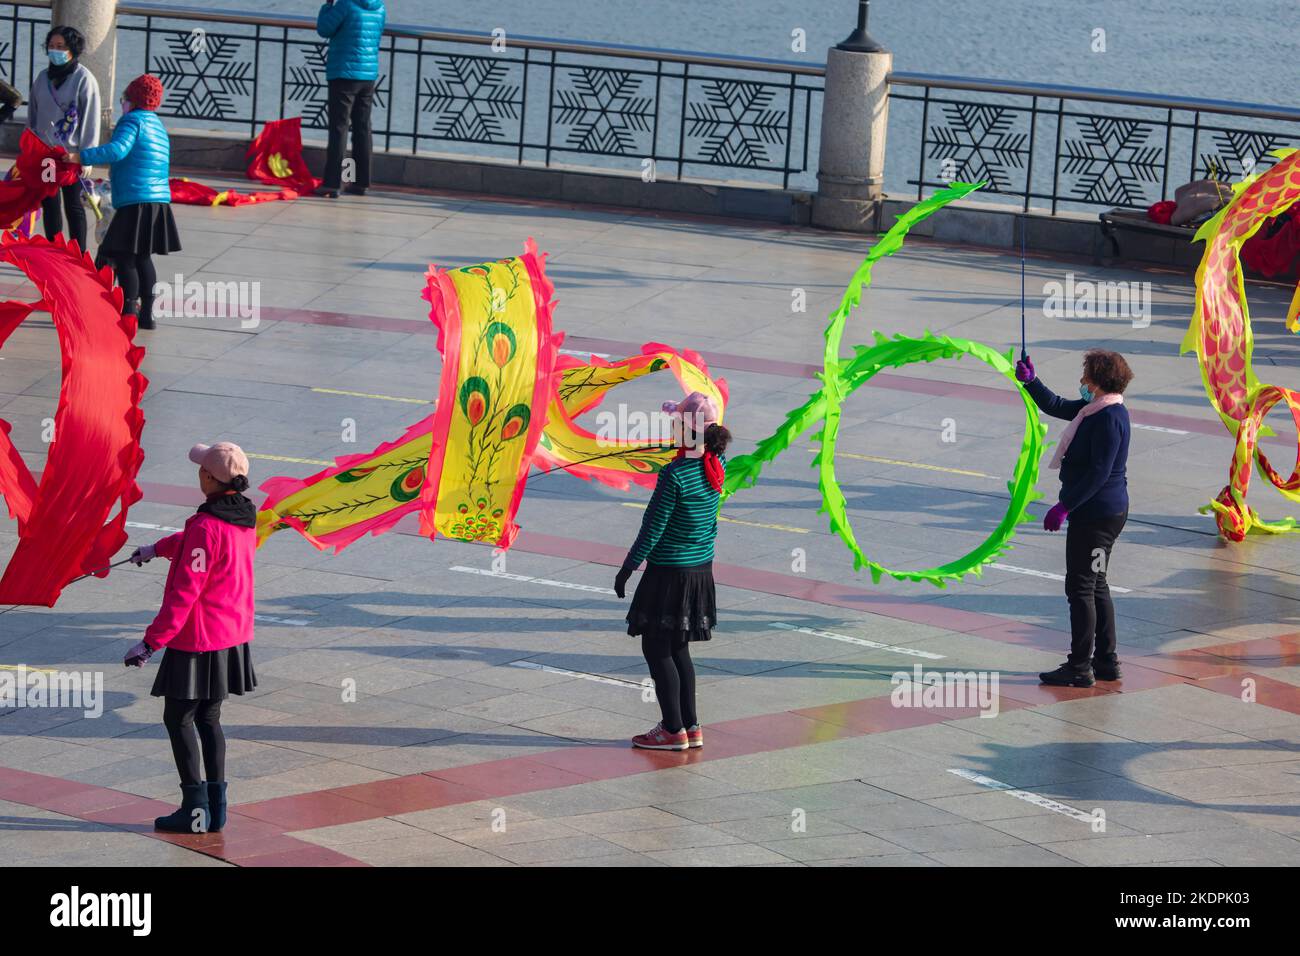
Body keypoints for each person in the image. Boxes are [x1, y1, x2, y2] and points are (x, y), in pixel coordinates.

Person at [123, 442, 257, 834]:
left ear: (208, 478)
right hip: (230, 635)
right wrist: (155, 548)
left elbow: (185, 592)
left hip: (198, 637)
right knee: (209, 717)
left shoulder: (205, 525)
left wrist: (149, 644)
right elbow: (198, 547)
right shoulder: (242, 516)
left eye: (201, 469)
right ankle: (216, 809)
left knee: (177, 717)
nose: (197, 473)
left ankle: (193, 809)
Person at [615, 392, 731, 751]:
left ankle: (671, 729)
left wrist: (628, 568)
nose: (671, 429)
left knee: (656, 648)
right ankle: (690, 727)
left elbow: (653, 527)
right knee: (679, 648)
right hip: (699, 571)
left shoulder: (674, 475)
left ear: (687, 431)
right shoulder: (716, 466)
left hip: (669, 572)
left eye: (676, 424)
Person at [1016, 350, 1133, 688]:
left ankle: (1080, 666)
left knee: (1081, 588)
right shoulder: (1095, 409)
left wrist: (1064, 506)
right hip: (1104, 513)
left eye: (1085, 376)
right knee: (1096, 585)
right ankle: (1106, 661)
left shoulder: (1108, 418)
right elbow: (1054, 404)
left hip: (1096, 518)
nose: (1081, 381)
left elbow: (1099, 473)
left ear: (1097, 381)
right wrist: (1030, 381)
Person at [70, 74, 179, 332]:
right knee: (143, 257)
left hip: (135, 198)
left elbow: (117, 150)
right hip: (157, 200)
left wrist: (80, 156)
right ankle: (148, 314)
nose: (123, 104)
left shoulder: (132, 121)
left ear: (132, 100)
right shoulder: (158, 125)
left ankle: (129, 308)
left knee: (123, 255)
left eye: (124, 98)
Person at [27, 26, 100, 252]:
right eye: (51, 46)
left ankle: (77, 254)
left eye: (61, 47)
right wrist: (31, 146)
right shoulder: (42, 78)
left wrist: (86, 156)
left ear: (72, 50)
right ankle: (55, 250)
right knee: (50, 203)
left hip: (71, 156)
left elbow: (91, 118)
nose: (55, 51)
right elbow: (33, 114)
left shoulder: (84, 79)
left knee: (74, 206)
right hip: (46, 155)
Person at [314, 0, 386, 198]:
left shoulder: (345, 5)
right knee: (362, 128)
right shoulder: (379, 6)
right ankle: (358, 181)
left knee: (339, 128)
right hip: (368, 75)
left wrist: (327, 5)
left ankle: (333, 183)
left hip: (344, 73)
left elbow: (324, 29)